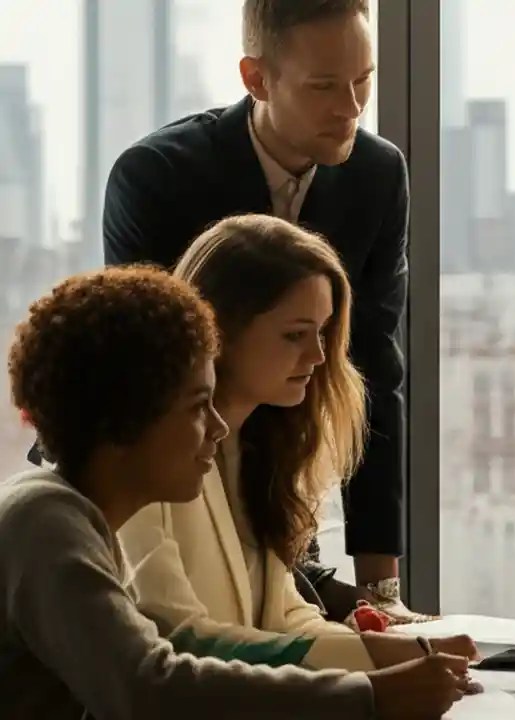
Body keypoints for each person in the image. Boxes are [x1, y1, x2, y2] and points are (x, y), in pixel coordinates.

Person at [0, 266, 471, 719]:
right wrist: (371, 695)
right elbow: (147, 688)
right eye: (198, 407)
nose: (219, 428)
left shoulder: (69, 520)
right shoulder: (45, 522)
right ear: (124, 419)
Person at [98, 0, 410, 622]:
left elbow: (371, 370)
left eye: (363, 80)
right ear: (256, 78)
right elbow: (141, 375)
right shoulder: (156, 176)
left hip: (279, 478)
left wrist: (383, 596)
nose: (351, 108)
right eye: (324, 86)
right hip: (154, 477)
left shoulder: (377, 174)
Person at [116, 215, 476, 671]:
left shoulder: (257, 455)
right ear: (217, 328)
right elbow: (177, 636)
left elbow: (287, 618)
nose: (319, 356)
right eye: (295, 335)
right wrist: (389, 659)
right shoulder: (145, 458)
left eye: (323, 333)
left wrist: (404, 653)